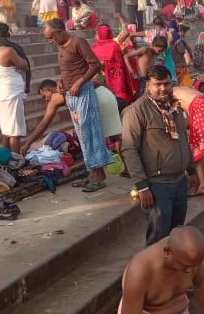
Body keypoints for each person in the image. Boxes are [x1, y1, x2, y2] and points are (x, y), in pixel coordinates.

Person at [121, 65, 197, 246]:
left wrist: (191, 169)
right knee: (158, 238)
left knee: (177, 233)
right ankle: (155, 273)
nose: (163, 88)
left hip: (179, 181)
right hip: (157, 185)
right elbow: (129, 149)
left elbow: (183, 139)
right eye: (158, 84)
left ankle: (172, 271)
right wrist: (142, 187)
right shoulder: (136, 111)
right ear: (148, 85)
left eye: (167, 83)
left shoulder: (174, 107)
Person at [43, 18, 113, 192]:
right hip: (71, 94)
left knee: (90, 133)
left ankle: (100, 175)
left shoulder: (78, 42)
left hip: (83, 93)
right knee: (82, 135)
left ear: (60, 31)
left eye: (51, 37)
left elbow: (95, 64)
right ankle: (92, 173)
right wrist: (61, 81)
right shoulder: (62, 47)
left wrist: (79, 82)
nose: (50, 41)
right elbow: (69, 68)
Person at [20, 78, 122, 156]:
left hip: (95, 100)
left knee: (87, 141)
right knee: (114, 136)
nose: (46, 100)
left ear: (49, 90)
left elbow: (44, 123)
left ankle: (96, 173)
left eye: (44, 96)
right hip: (105, 95)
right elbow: (97, 81)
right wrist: (111, 93)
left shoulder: (56, 96)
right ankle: (126, 167)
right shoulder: (67, 81)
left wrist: (28, 143)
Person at [0, 23, 30, 153]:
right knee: (14, 132)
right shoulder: (8, 50)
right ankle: (16, 161)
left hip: (0, 94)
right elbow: (24, 66)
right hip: (11, 94)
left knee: (6, 130)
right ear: (8, 33)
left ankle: (7, 158)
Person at [172, 85, 204, 196]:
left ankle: (203, 186)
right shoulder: (181, 89)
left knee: (197, 149)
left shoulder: (169, 93)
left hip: (200, 107)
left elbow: (178, 120)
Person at [92, 24, 134, 106]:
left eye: (97, 33)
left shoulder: (95, 47)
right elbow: (120, 65)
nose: (95, 35)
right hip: (117, 81)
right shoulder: (115, 45)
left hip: (102, 81)